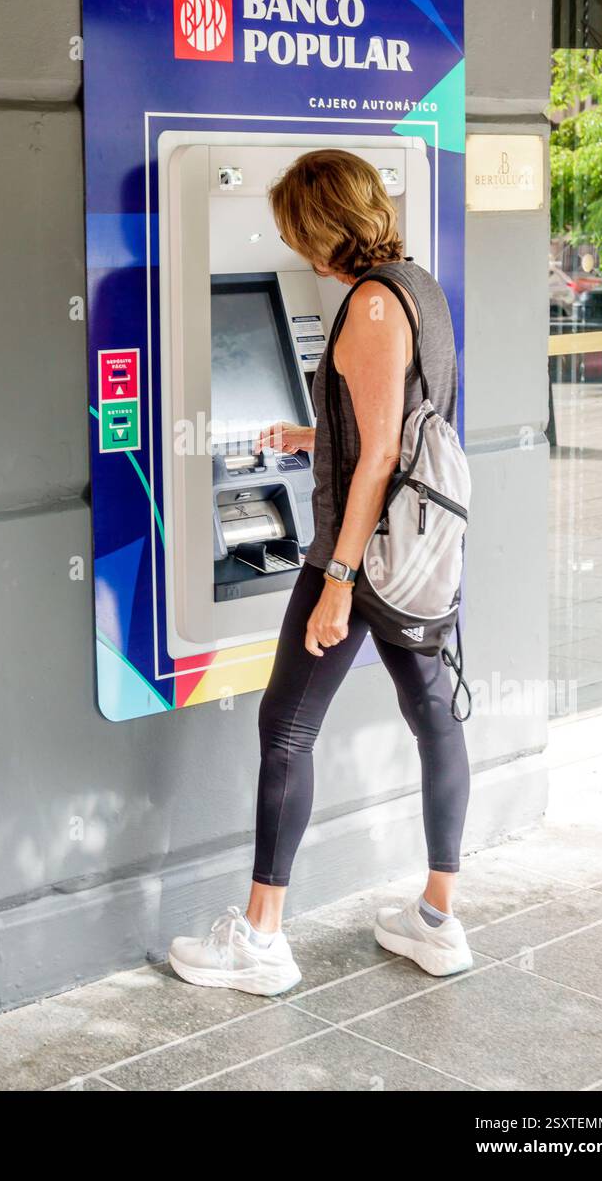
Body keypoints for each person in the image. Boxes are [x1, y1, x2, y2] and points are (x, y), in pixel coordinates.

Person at [169, 150, 472, 995]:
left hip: (364, 553)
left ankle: (263, 939)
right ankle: (438, 920)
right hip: (416, 550)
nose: (291, 244)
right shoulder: (418, 285)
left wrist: (338, 579)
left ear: (322, 223)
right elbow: (398, 426)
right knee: (435, 716)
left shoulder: (371, 306)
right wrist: (313, 440)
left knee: (287, 730)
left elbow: (378, 454)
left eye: (294, 227)